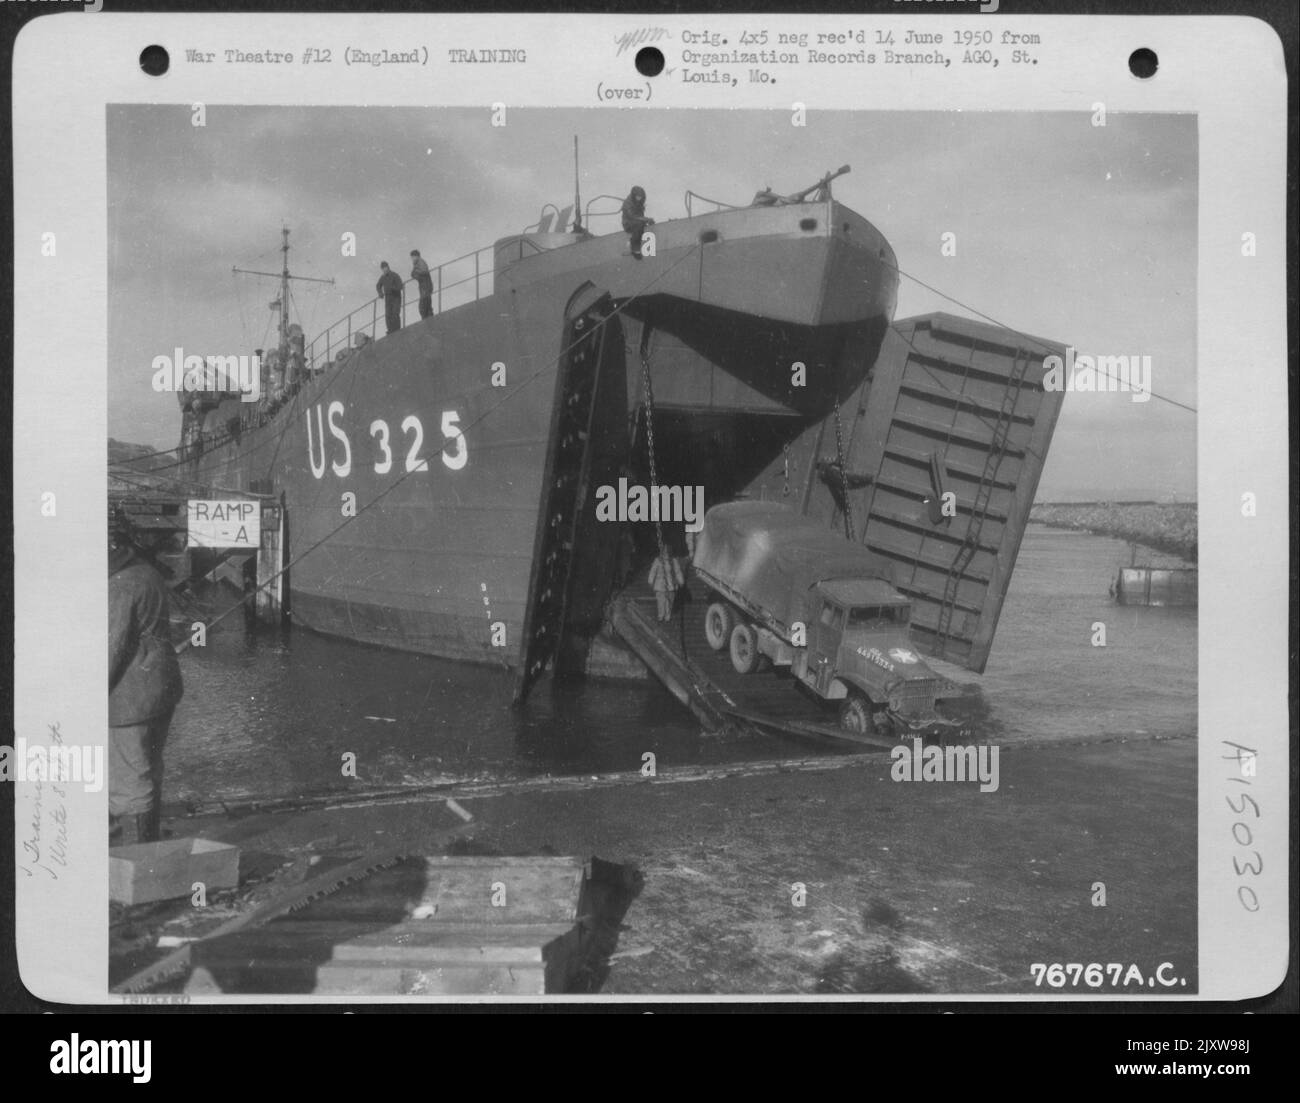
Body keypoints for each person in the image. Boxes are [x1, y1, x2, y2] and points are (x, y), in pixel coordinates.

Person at [109, 520, 183, 846]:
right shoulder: (148, 574)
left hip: (130, 700)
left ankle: (137, 861)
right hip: (162, 690)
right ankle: (149, 844)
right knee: (151, 767)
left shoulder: (119, 585)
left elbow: (111, 648)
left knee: (130, 778)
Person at [648, 546, 683, 622]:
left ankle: (668, 616)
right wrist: (650, 580)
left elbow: (678, 571)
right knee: (661, 601)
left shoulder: (673, 561)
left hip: (671, 584)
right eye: (665, 552)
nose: (666, 554)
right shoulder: (658, 560)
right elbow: (653, 571)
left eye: (668, 552)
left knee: (669, 602)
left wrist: (681, 581)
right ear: (662, 552)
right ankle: (661, 615)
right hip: (660, 585)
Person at [621, 186, 654, 258]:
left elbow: (640, 215)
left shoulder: (639, 202)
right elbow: (632, 216)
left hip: (637, 221)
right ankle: (634, 248)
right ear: (634, 195)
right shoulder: (628, 203)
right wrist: (645, 219)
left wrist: (647, 221)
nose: (639, 198)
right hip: (628, 223)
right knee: (639, 225)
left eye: (641, 196)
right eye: (638, 196)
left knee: (642, 224)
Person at [376, 261, 404, 334]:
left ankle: (397, 330)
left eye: (385, 267)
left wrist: (393, 288)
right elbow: (378, 285)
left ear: (388, 267)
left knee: (395, 314)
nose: (384, 270)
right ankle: (390, 331)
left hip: (396, 297)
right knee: (388, 315)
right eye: (382, 268)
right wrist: (380, 293)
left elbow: (400, 286)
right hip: (388, 298)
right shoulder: (383, 277)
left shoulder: (395, 275)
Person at [410, 250, 434, 319]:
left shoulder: (421, 262)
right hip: (424, 286)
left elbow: (424, 271)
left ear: (417, 256)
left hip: (425, 286)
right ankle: (429, 319)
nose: (412, 259)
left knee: (423, 306)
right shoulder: (417, 264)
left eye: (413, 257)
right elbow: (412, 274)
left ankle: (427, 320)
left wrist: (416, 273)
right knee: (426, 305)